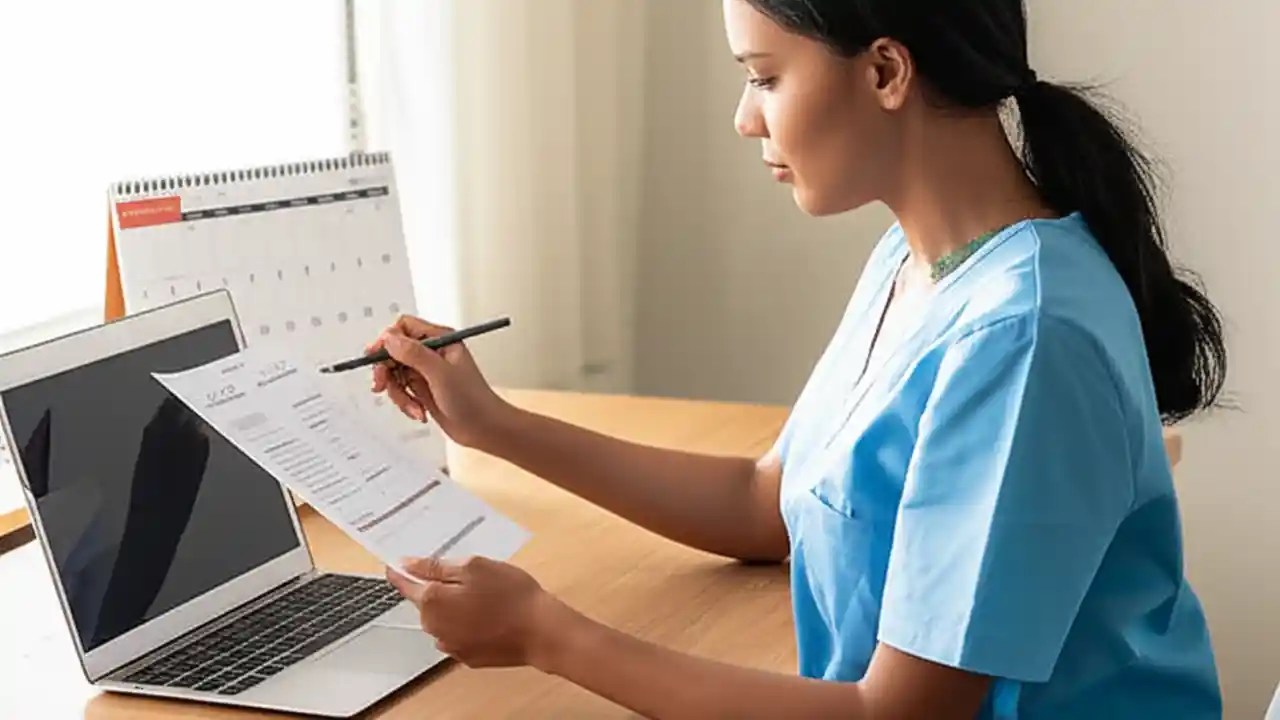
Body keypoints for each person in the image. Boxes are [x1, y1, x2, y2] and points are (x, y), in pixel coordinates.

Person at [374, 0, 1228, 717]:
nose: (745, 118)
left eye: (764, 77)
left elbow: (897, 715)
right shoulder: (917, 263)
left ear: (886, 71)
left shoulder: (1023, 335)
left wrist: (547, 635)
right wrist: (494, 426)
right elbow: (767, 503)